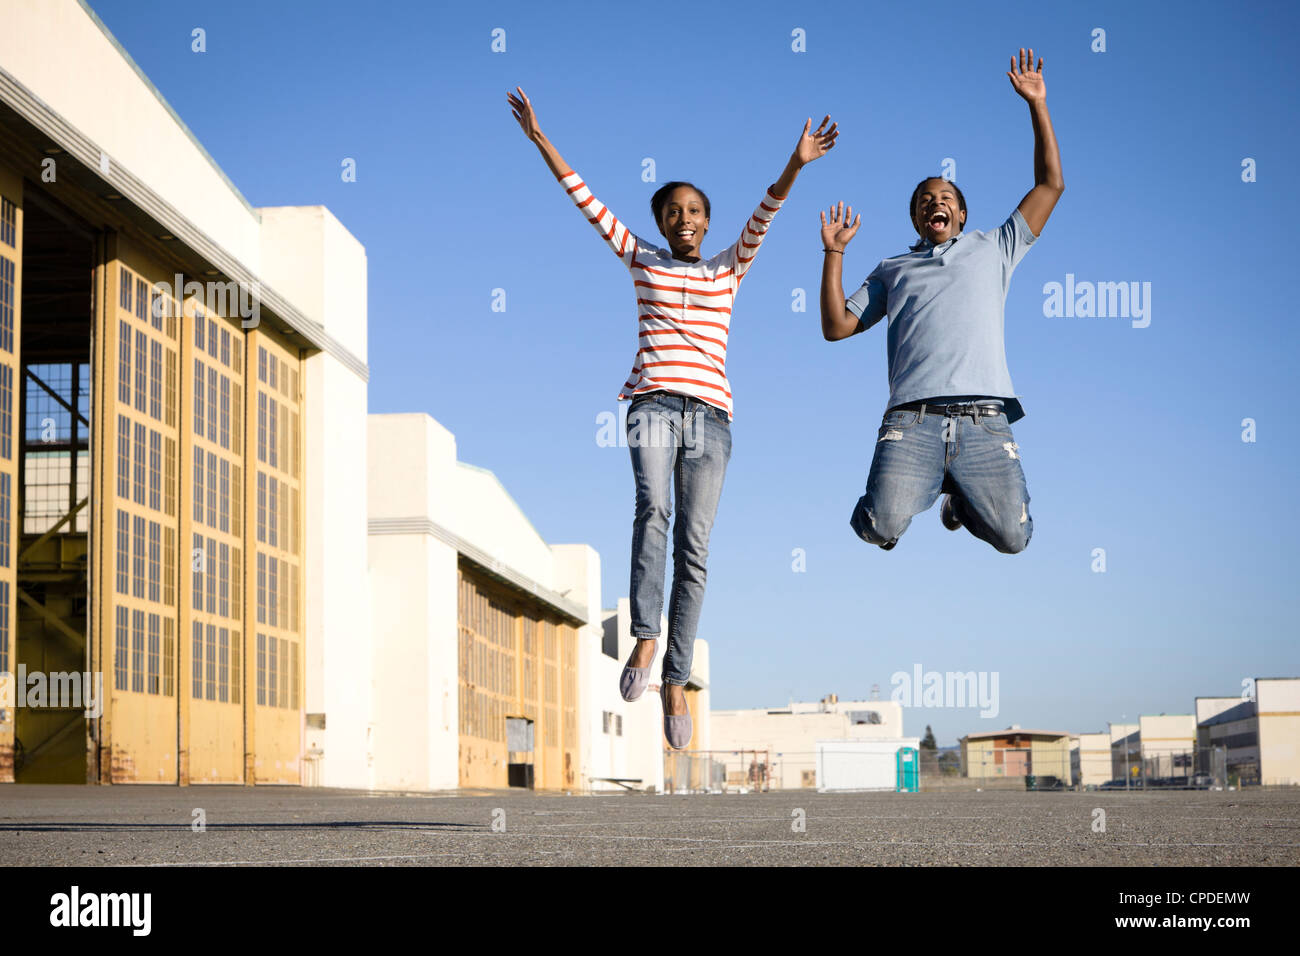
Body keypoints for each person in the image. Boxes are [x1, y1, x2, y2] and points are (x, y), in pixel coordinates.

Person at [507, 86, 837, 748]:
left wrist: (796, 163)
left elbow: (766, 214)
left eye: (694, 210)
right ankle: (646, 640)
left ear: (707, 223)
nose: (683, 218)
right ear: (660, 222)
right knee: (652, 509)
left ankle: (677, 682)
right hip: (654, 403)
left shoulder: (728, 269)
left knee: (697, 544)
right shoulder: (640, 258)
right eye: (672, 210)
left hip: (712, 417)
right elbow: (585, 201)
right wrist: (541, 139)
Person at [818, 49, 1063, 553]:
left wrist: (1037, 104)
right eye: (924, 200)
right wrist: (834, 252)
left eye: (945, 196)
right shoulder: (893, 269)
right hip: (913, 419)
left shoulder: (995, 246)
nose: (935, 201)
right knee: (880, 526)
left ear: (963, 212)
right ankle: (921, 486)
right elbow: (837, 325)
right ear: (915, 219)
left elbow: (1049, 185)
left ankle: (961, 500)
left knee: (1015, 538)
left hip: (984, 420)